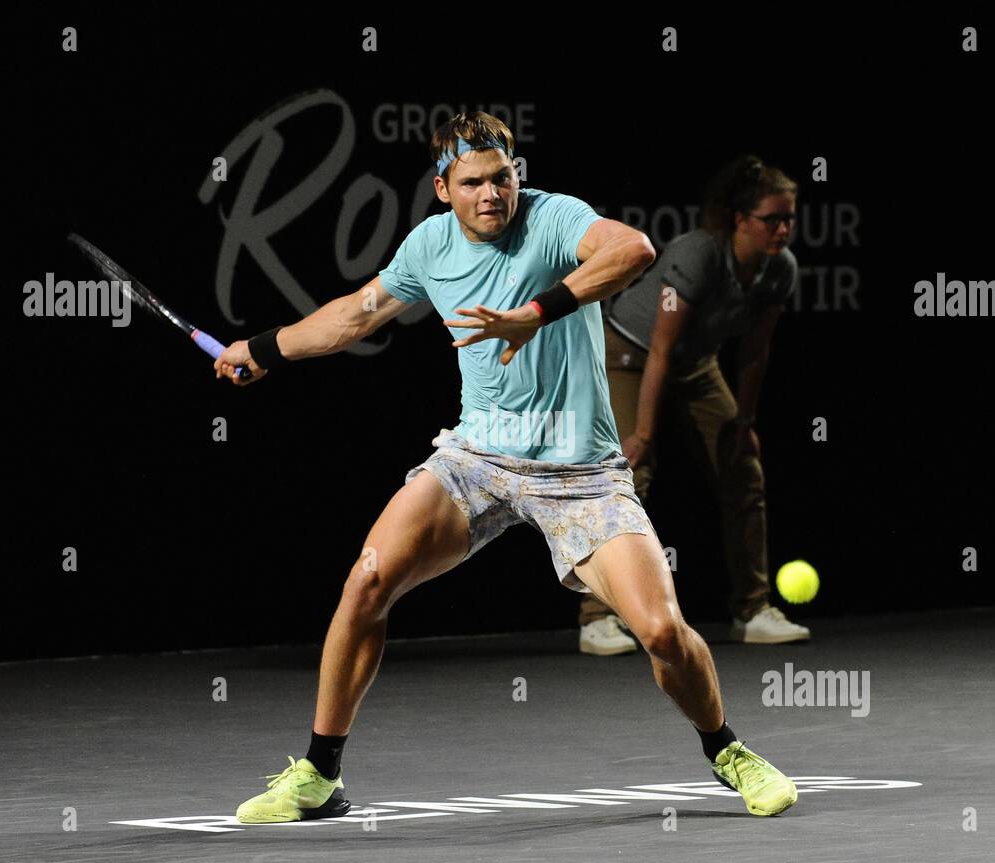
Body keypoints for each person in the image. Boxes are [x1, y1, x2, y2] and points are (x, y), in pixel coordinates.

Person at [213, 113, 798, 821]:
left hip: (580, 472)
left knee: (663, 631)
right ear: (442, 188)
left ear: (517, 174)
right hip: (477, 458)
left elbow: (633, 249)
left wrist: (537, 311)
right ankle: (320, 774)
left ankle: (727, 749)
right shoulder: (428, 246)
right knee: (367, 581)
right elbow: (353, 318)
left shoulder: (554, 219)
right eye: (472, 183)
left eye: (502, 177)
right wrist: (263, 348)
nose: (491, 193)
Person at [578, 156, 811, 656]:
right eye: (773, 219)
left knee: (743, 468)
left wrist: (744, 422)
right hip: (628, 355)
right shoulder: (696, 255)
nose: (783, 229)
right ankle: (597, 619)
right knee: (627, 476)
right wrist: (643, 433)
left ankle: (752, 611)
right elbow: (660, 348)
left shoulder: (780, 269)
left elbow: (754, 352)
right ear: (738, 219)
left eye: (790, 218)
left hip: (696, 364)